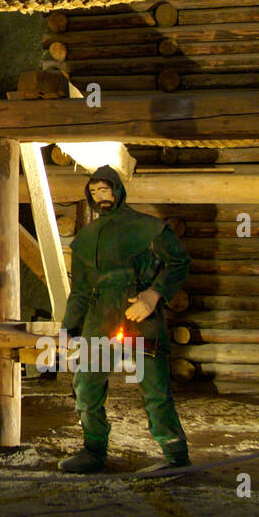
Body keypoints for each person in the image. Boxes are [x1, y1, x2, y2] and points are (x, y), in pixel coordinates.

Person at [57, 165, 192, 474]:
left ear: (117, 189)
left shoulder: (149, 228)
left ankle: (176, 457)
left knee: (155, 391)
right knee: (86, 387)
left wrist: (154, 294)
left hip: (139, 319)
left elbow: (179, 262)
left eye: (104, 189)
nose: (99, 196)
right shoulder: (86, 239)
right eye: (93, 192)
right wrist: (68, 330)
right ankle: (93, 450)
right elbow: (79, 291)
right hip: (98, 319)